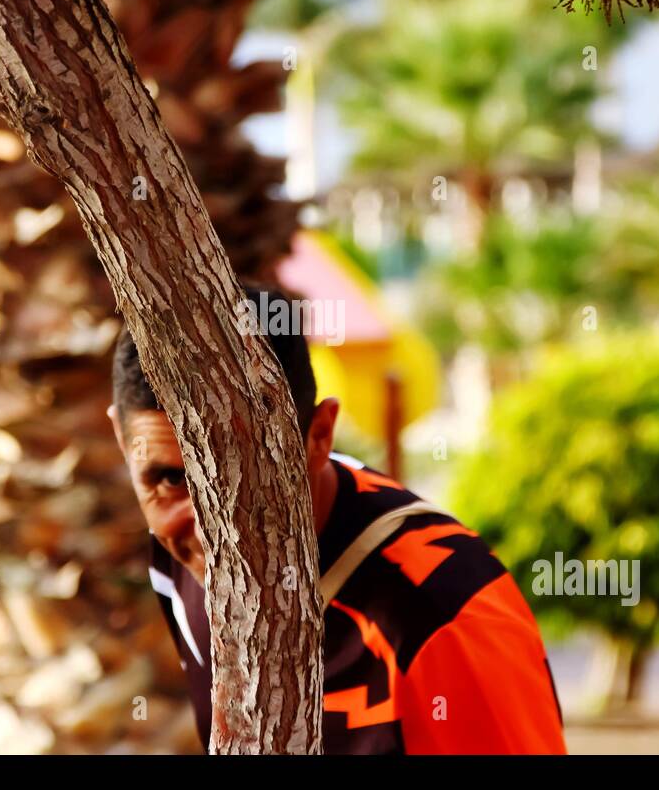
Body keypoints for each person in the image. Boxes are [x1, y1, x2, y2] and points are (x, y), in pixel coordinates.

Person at [109, 284, 566, 754]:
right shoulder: (176, 557)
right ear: (122, 444)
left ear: (320, 435)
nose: (212, 528)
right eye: (168, 479)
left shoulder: (447, 618)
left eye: (243, 475)